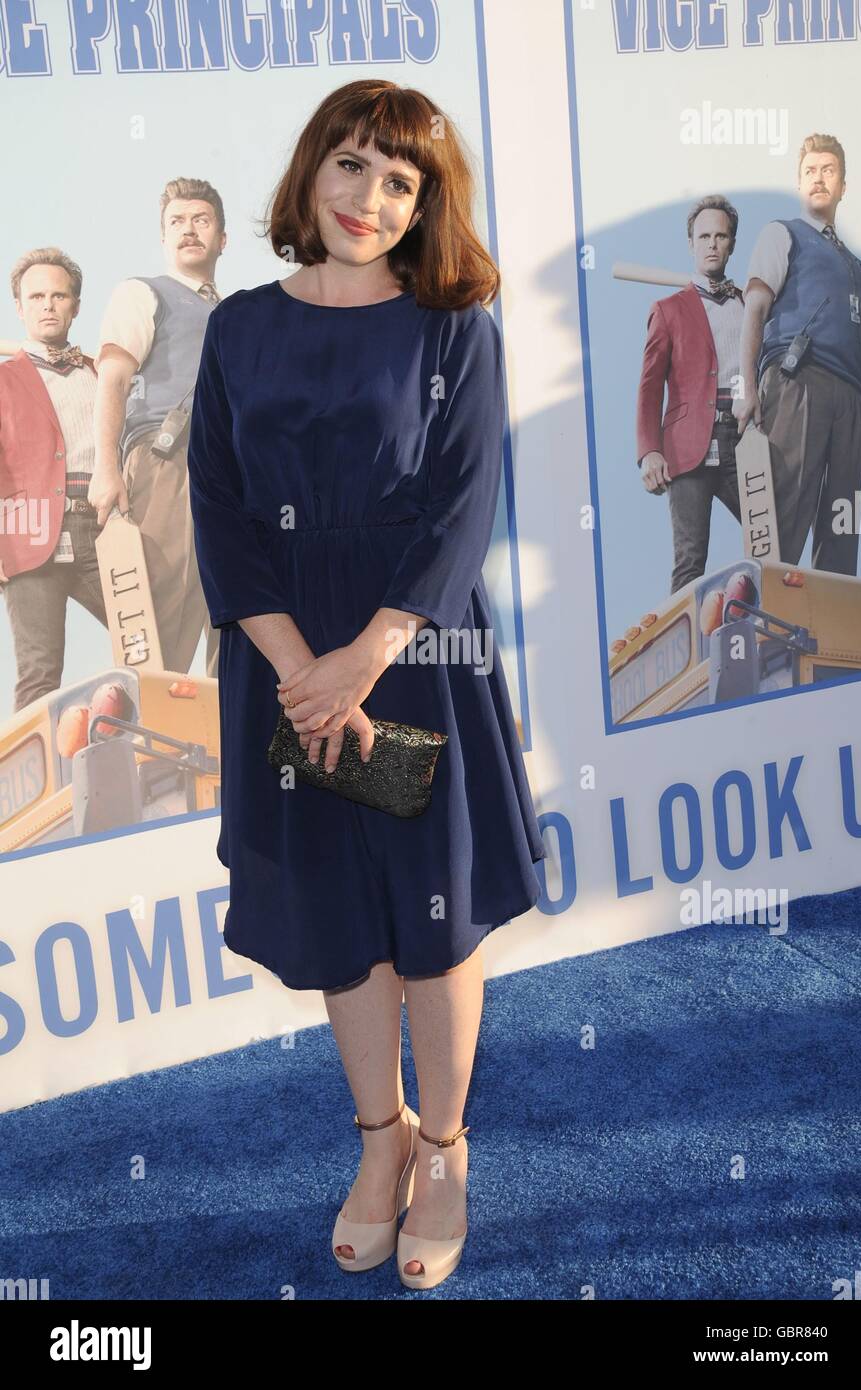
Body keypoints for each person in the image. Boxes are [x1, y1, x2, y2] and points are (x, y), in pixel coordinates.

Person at [186, 79, 545, 1291]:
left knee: (434, 921)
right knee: (341, 918)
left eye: (401, 181)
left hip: (416, 657)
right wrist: (299, 670)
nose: (370, 197)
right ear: (309, 173)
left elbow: (459, 514)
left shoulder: (455, 328)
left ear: (426, 201)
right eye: (350, 165)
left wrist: (360, 662)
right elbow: (221, 516)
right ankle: (379, 1145)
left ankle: (444, 1153)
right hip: (284, 669)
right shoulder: (238, 327)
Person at [91, 178, 225, 678]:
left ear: (222, 239)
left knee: (232, 614)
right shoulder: (142, 293)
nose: (188, 230)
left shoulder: (234, 312)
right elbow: (114, 378)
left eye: (201, 220)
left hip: (231, 473)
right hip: (166, 461)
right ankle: (151, 746)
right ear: (164, 237)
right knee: (160, 609)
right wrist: (108, 469)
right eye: (177, 221)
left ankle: (222, 746)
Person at [736, 133, 861, 574]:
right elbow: (755, 311)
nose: (819, 179)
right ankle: (766, 628)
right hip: (797, 382)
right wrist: (747, 388)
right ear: (800, 183)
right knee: (784, 518)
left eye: (828, 171)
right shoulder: (783, 234)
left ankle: (828, 634)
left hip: (851, 401)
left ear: (843, 186)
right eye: (810, 172)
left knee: (843, 525)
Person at [0, 249, 108, 711]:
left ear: (76, 304)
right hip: (28, 534)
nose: (48, 304)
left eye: (58, 295)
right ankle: (27, 786)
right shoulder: (4, 379)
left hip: (102, 532)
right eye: (36, 296)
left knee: (150, 641)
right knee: (40, 673)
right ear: (20, 307)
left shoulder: (99, 372)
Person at [636, 196, 744, 592]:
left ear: (732, 243)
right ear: (691, 243)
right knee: (690, 560)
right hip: (687, 448)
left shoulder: (749, 303)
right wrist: (650, 450)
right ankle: (686, 651)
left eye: (721, 235)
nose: (712, 243)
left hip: (744, 443)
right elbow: (649, 387)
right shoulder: (668, 310)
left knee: (772, 543)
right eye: (704, 236)